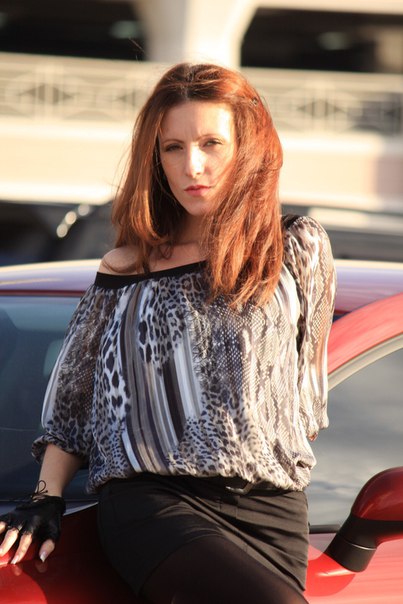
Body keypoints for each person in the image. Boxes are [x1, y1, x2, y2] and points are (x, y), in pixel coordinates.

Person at [0, 62, 336, 603]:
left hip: (273, 513)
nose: (191, 166)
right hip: (155, 503)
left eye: (211, 143)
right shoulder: (127, 267)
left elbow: (303, 395)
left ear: (248, 147)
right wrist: (45, 497)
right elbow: (75, 400)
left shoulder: (298, 246)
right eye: (172, 148)